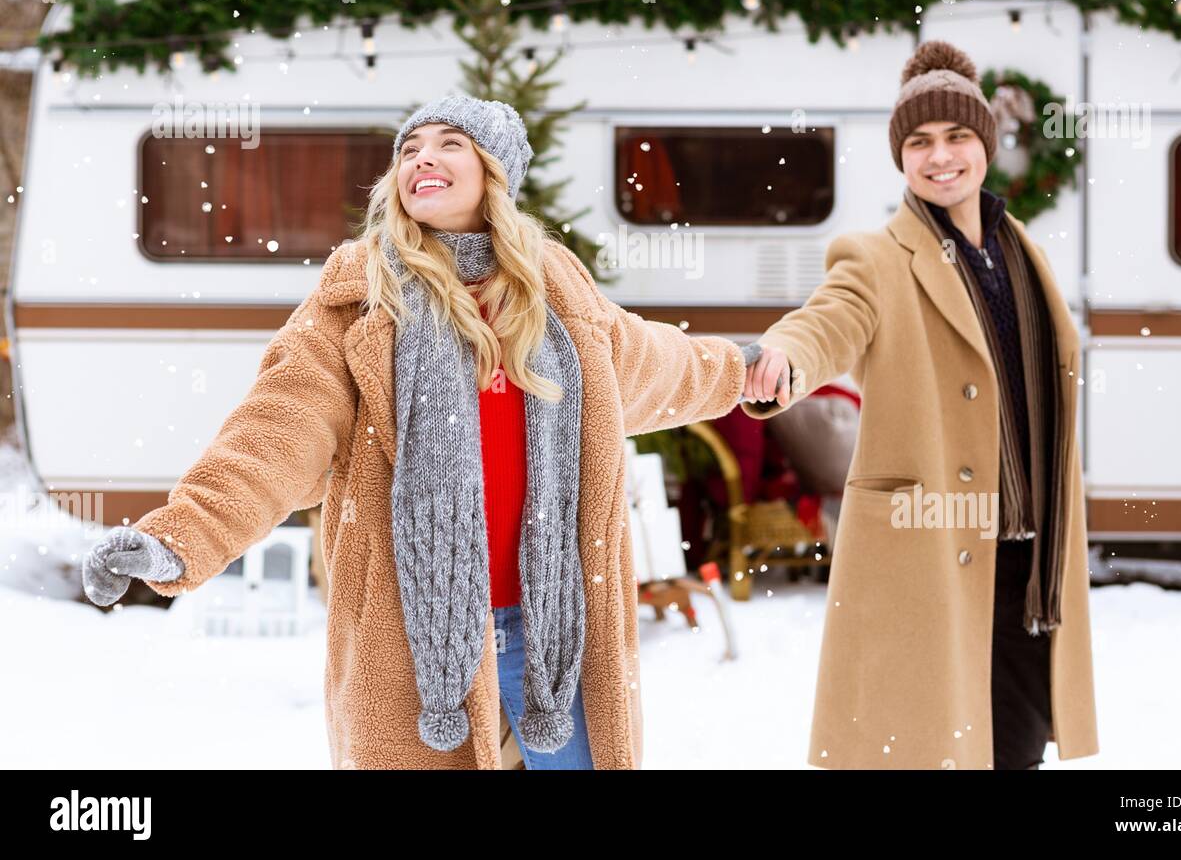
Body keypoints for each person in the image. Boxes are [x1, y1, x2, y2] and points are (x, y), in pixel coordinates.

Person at [84, 94, 764, 771]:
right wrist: (178, 537)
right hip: (408, 636)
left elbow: (652, 363)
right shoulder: (361, 299)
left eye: (449, 144)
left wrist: (742, 369)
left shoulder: (557, 293)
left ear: (494, 170)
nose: (422, 159)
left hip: (556, 628)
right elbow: (275, 429)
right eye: (409, 149)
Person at [742, 40, 1099, 770]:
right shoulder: (873, 257)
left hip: (1029, 556)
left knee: (1015, 747)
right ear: (901, 157)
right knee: (928, 748)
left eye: (958, 136)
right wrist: (784, 357)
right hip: (934, 548)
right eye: (920, 142)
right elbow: (828, 320)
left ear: (985, 146)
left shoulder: (1021, 248)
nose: (941, 157)